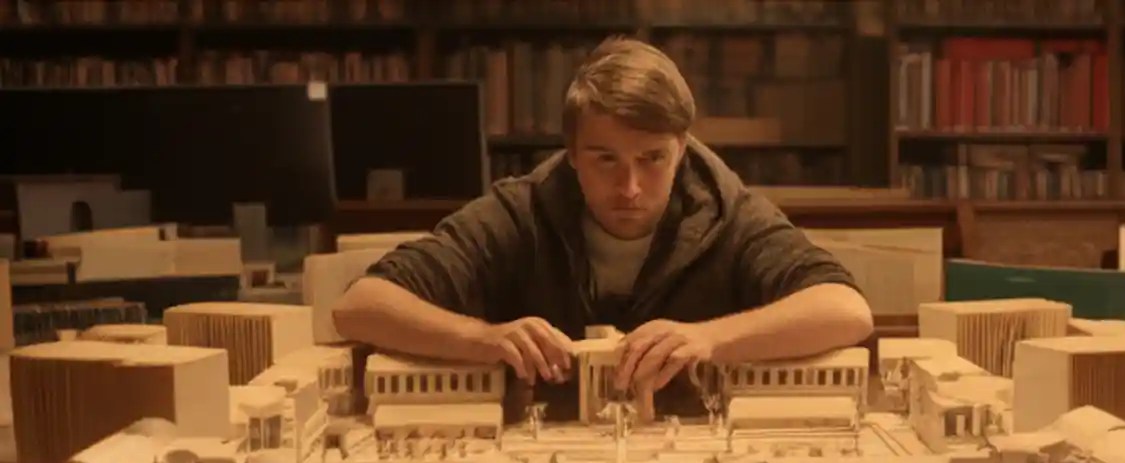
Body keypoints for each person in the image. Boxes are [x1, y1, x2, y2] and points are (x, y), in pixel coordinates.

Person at [332, 36, 873, 418]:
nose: (631, 187)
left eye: (653, 159)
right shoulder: (521, 212)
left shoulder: (730, 213)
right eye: (605, 160)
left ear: (682, 148)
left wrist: (709, 338)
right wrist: (483, 339)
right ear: (571, 153)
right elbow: (359, 305)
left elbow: (846, 310)